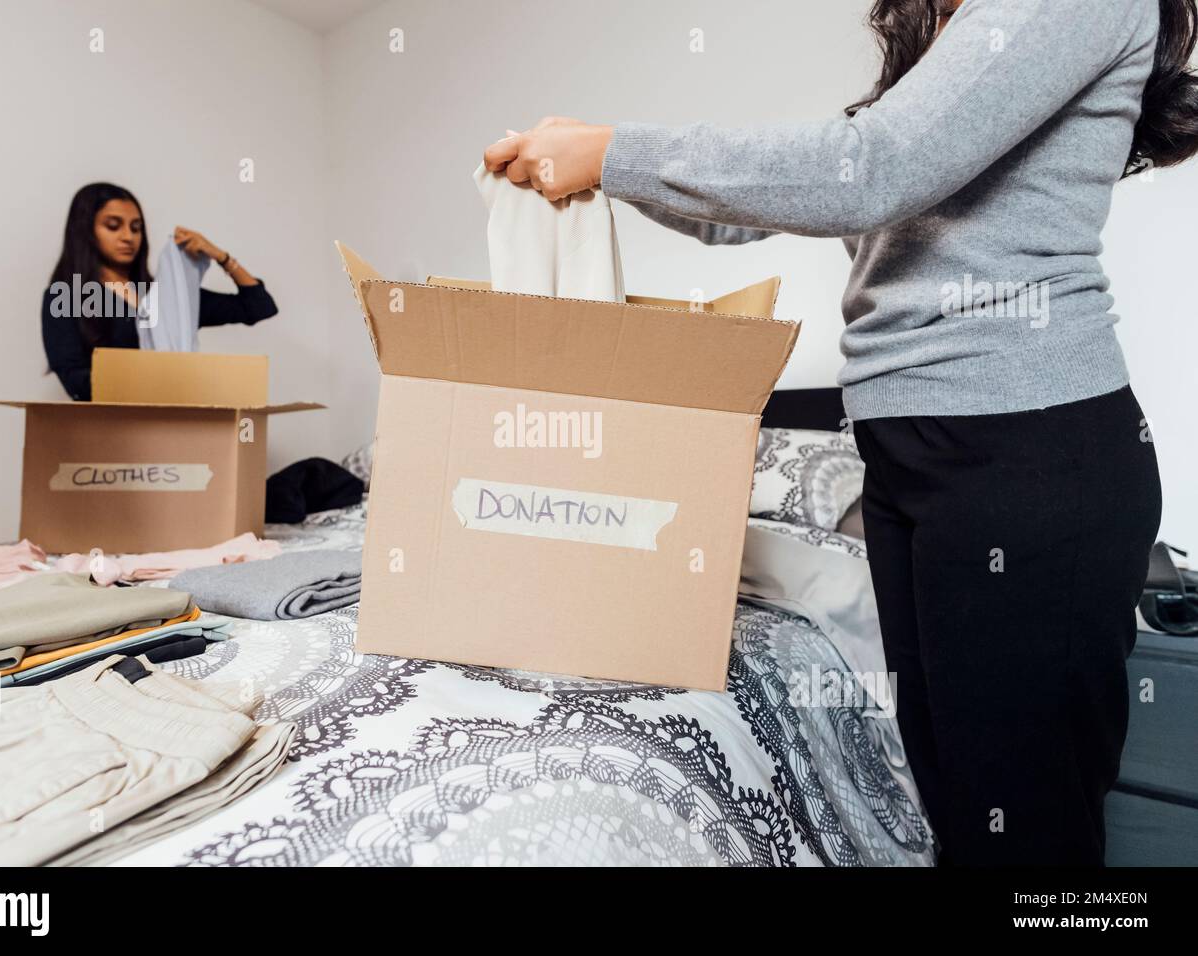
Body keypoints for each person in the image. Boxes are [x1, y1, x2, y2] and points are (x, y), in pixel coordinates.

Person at [483, 0, 1198, 866]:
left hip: (1023, 447)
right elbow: (767, 201)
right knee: (963, 807)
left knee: (1030, 831)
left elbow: (870, 169)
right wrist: (601, 170)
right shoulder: (947, 48)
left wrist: (613, 148)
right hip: (906, 453)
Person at [42, 182, 277, 400]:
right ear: (85, 231)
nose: (128, 237)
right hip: (107, 429)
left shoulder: (166, 298)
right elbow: (75, 381)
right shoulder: (67, 297)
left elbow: (258, 306)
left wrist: (220, 256)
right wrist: (157, 381)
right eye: (113, 226)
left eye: (136, 228)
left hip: (172, 425)